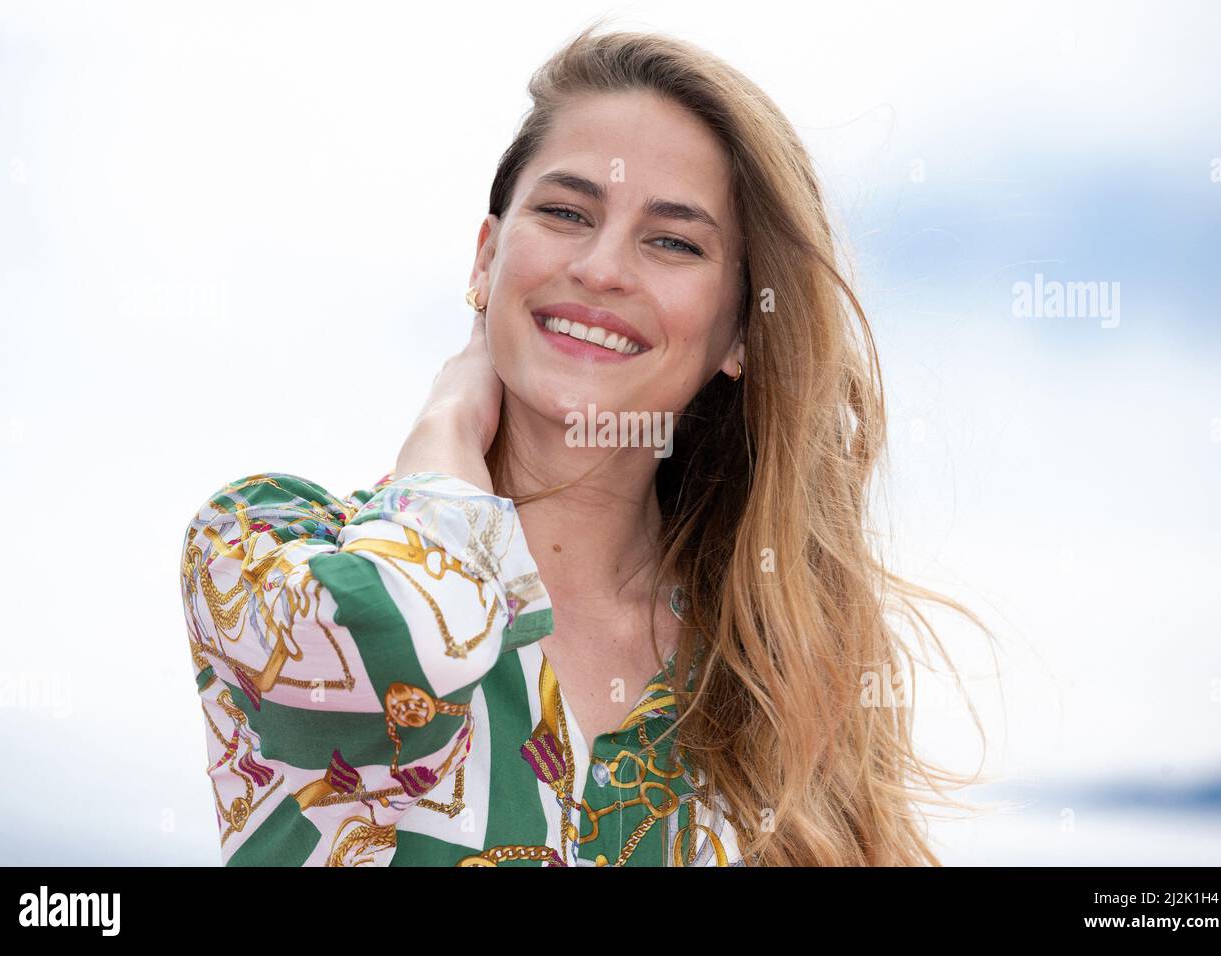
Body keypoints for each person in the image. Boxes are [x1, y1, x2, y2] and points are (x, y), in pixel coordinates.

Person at [178, 23, 990, 867]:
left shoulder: (780, 688)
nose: (602, 268)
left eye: (672, 241)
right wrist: (447, 425)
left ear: (741, 331)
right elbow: (404, 633)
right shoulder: (261, 548)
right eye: (566, 213)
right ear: (486, 258)